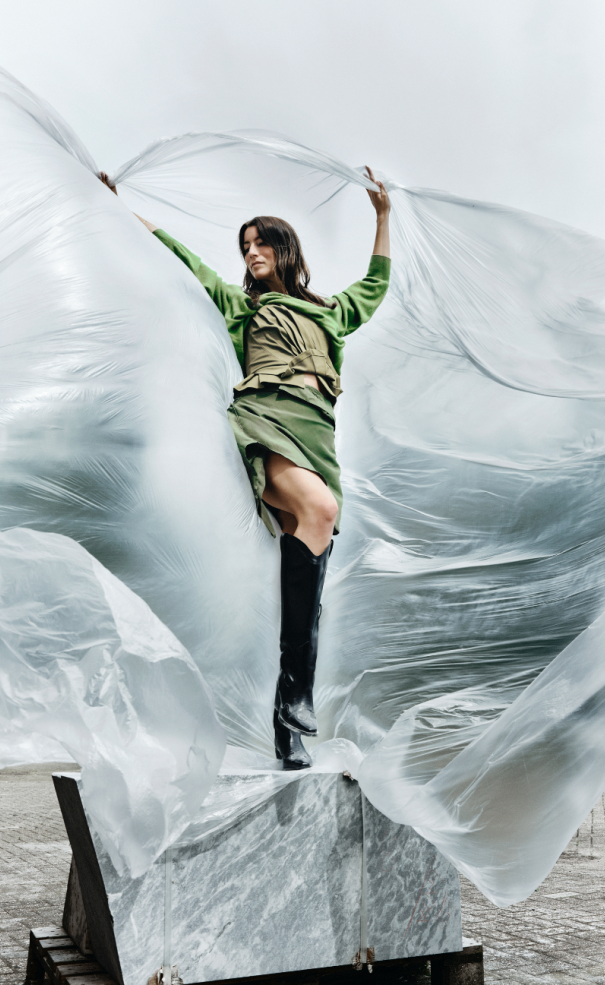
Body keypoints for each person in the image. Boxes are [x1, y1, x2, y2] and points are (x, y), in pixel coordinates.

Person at [98, 168, 391, 770]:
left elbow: (378, 284)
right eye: (245, 247)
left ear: (286, 251)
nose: (252, 254)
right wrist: (117, 208)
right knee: (321, 512)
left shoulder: (331, 310)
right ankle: (296, 704)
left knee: (316, 538)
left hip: (316, 432)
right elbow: (181, 258)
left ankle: (290, 719)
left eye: (262, 243)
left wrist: (384, 216)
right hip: (266, 420)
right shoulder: (243, 307)